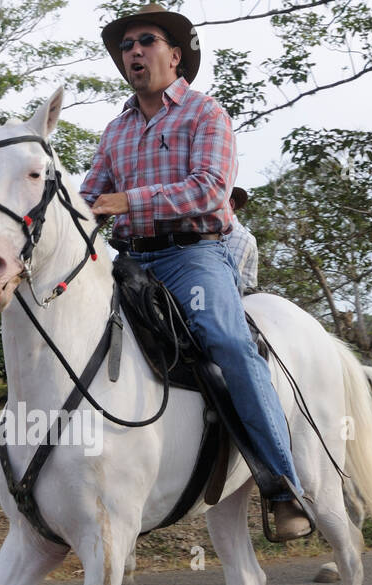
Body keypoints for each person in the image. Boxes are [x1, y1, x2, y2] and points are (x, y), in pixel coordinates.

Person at [79, 3, 310, 539]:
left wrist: (123, 201)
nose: (133, 51)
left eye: (146, 41)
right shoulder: (115, 132)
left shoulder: (205, 113)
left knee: (227, 343)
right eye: (125, 45)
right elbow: (90, 197)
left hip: (194, 253)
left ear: (175, 55)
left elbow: (208, 190)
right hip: (132, 258)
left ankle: (281, 485)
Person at [224, 186, 259, 295]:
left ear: (230, 204)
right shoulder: (218, 233)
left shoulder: (237, 236)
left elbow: (227, 281)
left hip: (239, 305)